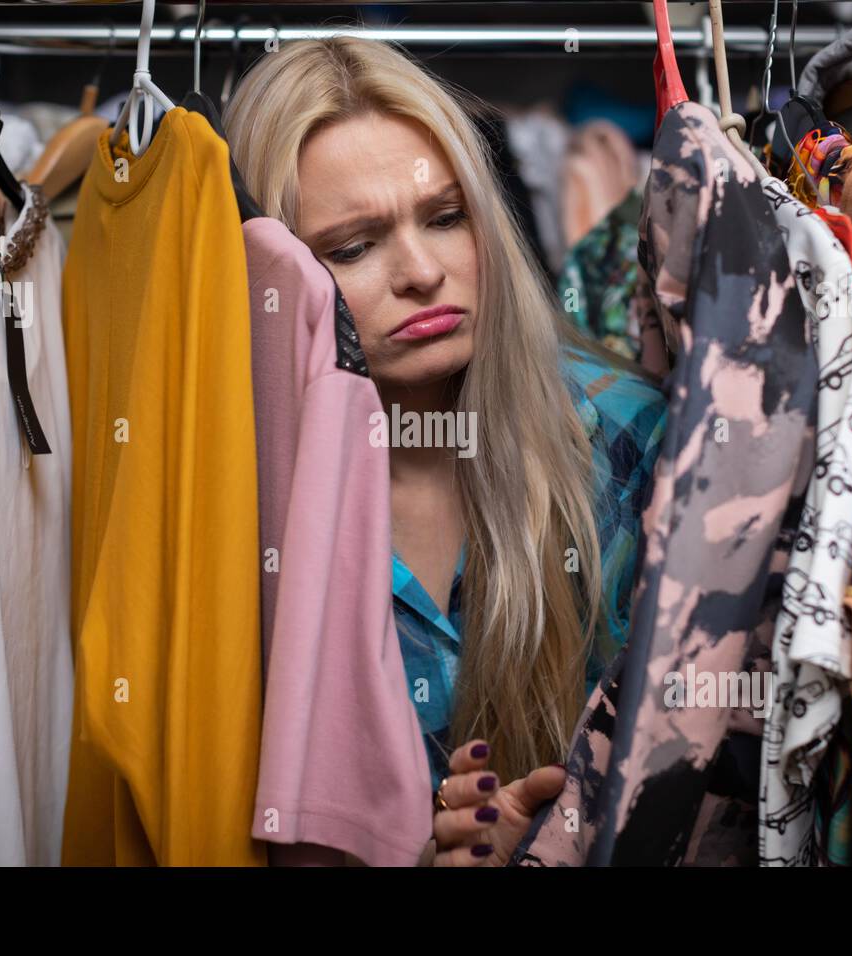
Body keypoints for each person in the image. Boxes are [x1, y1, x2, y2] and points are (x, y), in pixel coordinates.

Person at [224, 37, 666, 866]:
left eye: (445, 216)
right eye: (353, 248)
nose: (422, 272)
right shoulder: (229, 496)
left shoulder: (633, 445)